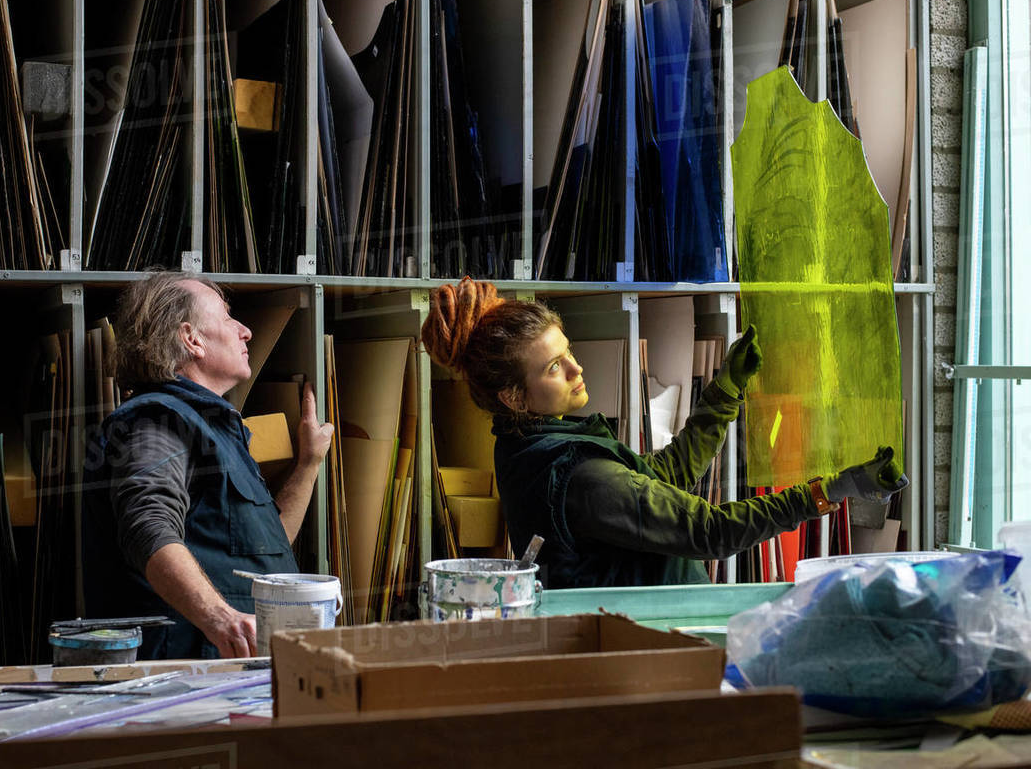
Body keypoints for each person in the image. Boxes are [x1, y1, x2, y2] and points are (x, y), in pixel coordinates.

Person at [420, 277, 908, 589]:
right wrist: (833, 489)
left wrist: (725, 392)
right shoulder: (576, 477)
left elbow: (661, 477)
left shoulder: (524, 445)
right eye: (554, 367)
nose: (576, 368)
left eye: (567, 351)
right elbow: (709, 531)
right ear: (513, 397)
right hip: (647, 649)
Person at [82, 272, 333, 659]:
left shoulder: (215, 429)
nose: (246, 331)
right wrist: (221, 618)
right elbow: (147, 527)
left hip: (231, 666)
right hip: (184, 673)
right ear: (191, 339)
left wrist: (308, 465)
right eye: (227, 318)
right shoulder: (157, 422)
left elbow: (263, 548)